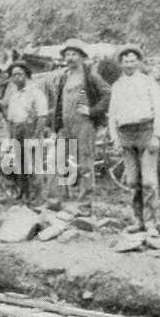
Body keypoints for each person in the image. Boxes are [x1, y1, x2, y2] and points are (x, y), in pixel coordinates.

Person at [44, 39, 111, 215]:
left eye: (74, 54)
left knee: (84, 165)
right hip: (65, 126)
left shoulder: (90, 76)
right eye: (67, 54)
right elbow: (58, 102)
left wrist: (93, 110)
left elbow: (107, 94)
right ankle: (53, 202)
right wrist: (55, 125)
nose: (70, 58)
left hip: (84, 125)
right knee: (56, 162)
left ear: (81, 57)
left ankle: (84, 206)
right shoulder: (63, 76)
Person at [108, 46, 160, 237]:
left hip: (145, 131)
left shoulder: (148, 82)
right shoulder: (117, 85)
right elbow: (112, 114)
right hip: (126, 134)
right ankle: (137, 220)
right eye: (126, 61)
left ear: (138, 62)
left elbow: (159, 108)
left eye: (133, 61)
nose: (130, 64)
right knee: (132, 181)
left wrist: (156, 135)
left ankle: (150, 223)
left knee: (148, 181)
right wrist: (115, 138)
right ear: (121, 63)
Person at [0, 61, 48, 205]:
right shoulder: (14, 96)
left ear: (26, 75)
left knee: (34, 165)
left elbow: (42, 116)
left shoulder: (35, 93)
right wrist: (10, 137)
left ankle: (38, 199)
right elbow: (10, 119)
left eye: (20, 74)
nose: (17, 78)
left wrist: (34, 136)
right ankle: (24, 196)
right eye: (13, 75)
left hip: (30, 130)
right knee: (20, 165)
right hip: (17, 131)